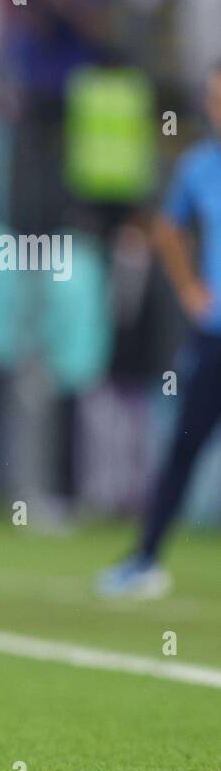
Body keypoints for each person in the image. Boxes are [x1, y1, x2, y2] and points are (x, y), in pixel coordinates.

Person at [99, 63, 221, 599]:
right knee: (185, 446)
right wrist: (191, 287)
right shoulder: (198, 166)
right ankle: (145, 559)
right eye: (213, 100)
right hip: (214, 334)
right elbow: (168, 227)